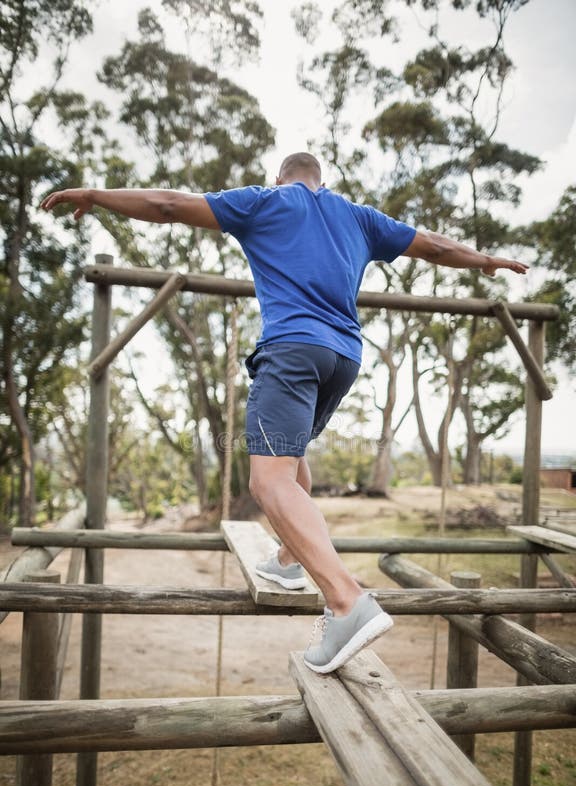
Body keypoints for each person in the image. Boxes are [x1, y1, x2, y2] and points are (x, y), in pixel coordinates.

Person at [41, 152, 528, 674]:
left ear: (280, 178)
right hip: (344, 358)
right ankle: (290, 560)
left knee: (268, 482)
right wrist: (484, 261)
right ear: (322, 181)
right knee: (290, 463)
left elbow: (168, 205)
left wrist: (97, 196)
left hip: (293, 349)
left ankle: (347, 602)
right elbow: (434, 246)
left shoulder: (265, 201)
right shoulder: (358, 217)